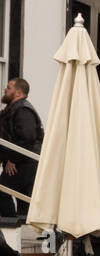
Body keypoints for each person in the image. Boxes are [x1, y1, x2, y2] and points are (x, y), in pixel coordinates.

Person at [0, 78, 44, 219]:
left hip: (25, 162)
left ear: (18, 93)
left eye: (9, 87)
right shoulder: (13, 109)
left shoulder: (23, 110)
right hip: (23, 162)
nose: (5, 90)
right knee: (24, 199)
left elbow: (27, 138)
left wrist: (12, 159)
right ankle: (20, 229)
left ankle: (10, 225)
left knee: (2, 190)